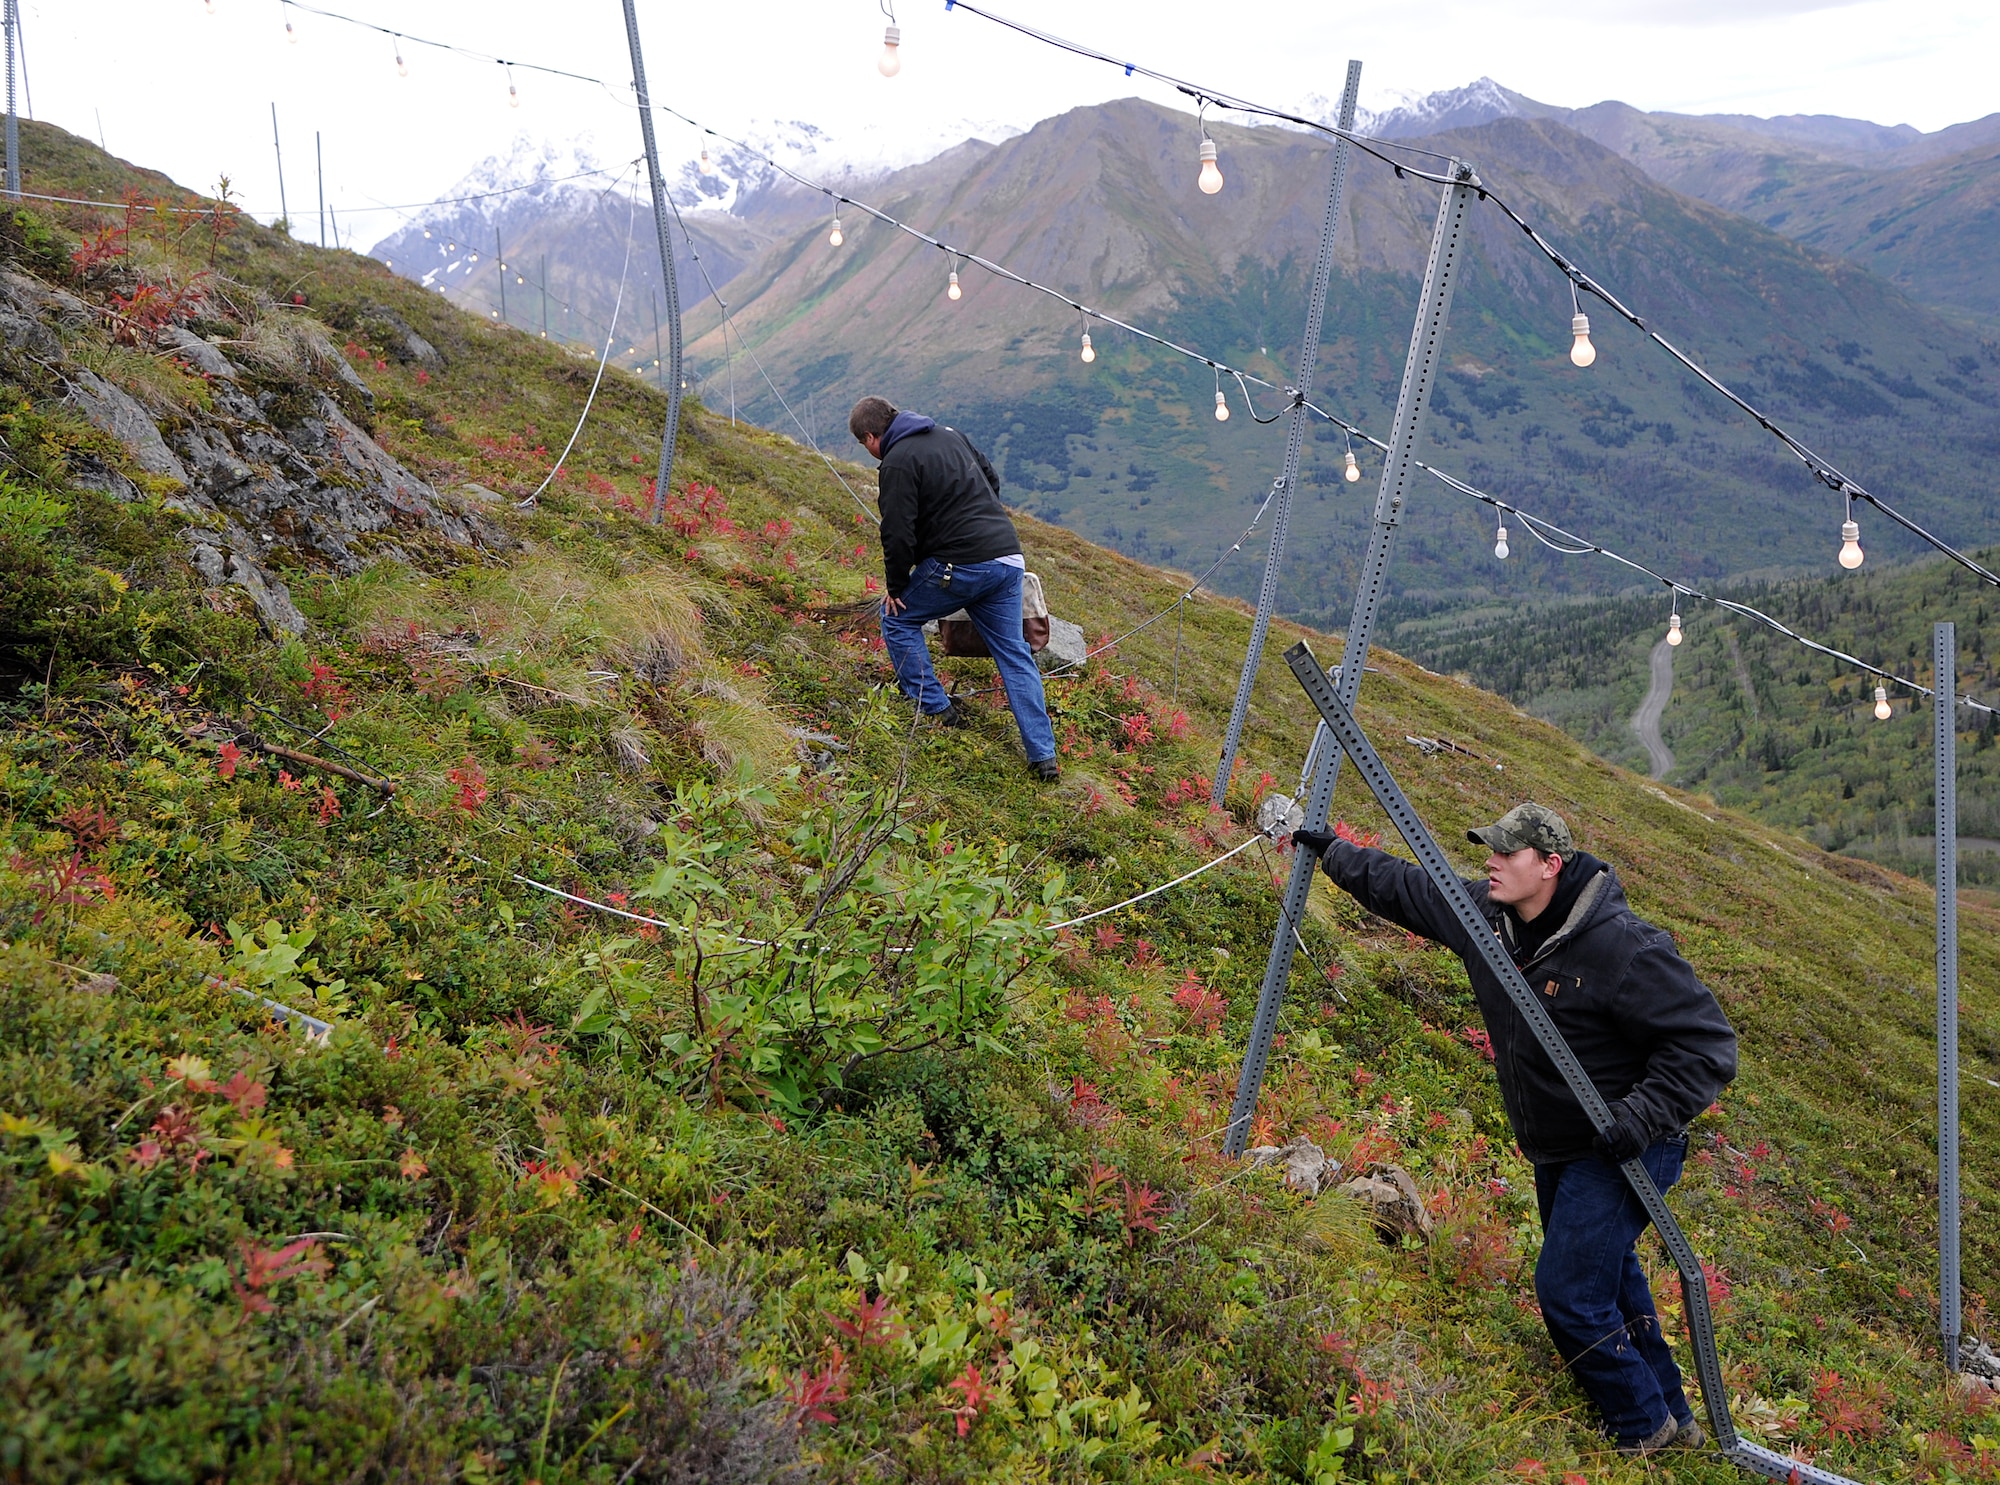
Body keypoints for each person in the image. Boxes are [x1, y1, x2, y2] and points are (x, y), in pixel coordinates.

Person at [1292, 802, 1738, 1457]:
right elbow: (1412, 890)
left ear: (1550, 865)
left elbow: (1707, 1045)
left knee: (1569, 1292)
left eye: (1507, 853)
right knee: (1607, 1276)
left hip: (1630, 1144)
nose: (1491, 862)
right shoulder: (1489, 916)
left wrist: (1639, 1117)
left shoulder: (1624, 947)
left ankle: (1640, 1427)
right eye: (1490, 850)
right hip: (1562, 1142)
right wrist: (1333, 852)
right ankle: (1674, 1418)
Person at [848, 395, 1059, 781]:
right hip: (1007, 557)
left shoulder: (896, 461)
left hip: (960, 564)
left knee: (897, 618)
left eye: (865, 445)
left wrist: (896, 586)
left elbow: (897, 532)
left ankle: (935, 710)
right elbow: (990, 479)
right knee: (1014, 654)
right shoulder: (949, 434)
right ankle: (1044, 757)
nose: (869, 451)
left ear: (871, 436)